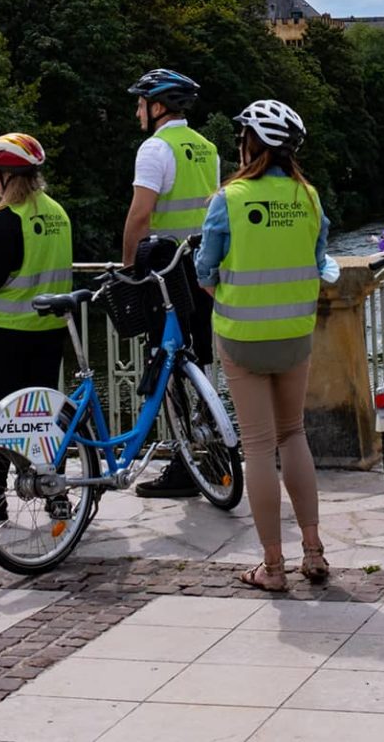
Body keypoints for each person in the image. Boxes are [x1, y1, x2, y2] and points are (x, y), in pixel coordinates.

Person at [195, 98, 339, 592]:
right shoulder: (309, 198)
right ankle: (314, 551)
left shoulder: (229, 198)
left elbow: (205, 270)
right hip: (294, 334)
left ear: (249, 144)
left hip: (242, 337)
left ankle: (273, 567)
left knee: (258, 447)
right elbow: (319, 262)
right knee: (293, 434)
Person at [0, 132, 73, 522]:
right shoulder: (57, 213)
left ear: (5, 176)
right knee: (43, 415)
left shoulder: (7, 219)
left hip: (1, 333)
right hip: (48, 332)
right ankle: (56, 492)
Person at [123, 68, 219, 499]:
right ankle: (213, 458)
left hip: (165, 275)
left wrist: (130, 270)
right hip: (202, 271)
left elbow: (140, 216)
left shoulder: (155, 148)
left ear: (158, 106)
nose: (137, 111)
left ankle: (183, 465)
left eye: (141, 103)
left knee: (168, 366)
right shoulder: (207, 148)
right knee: (201, 364)